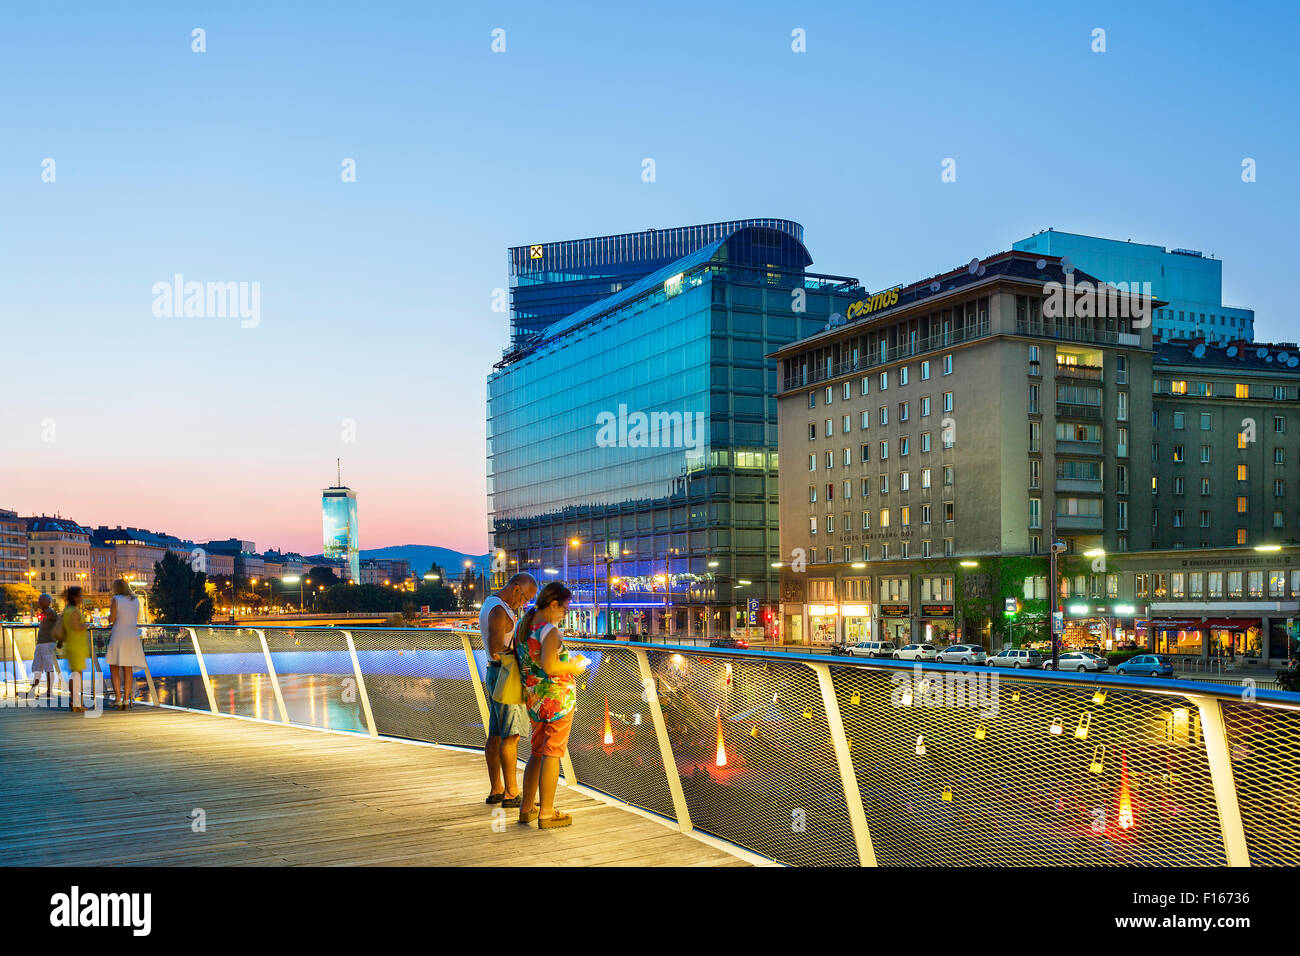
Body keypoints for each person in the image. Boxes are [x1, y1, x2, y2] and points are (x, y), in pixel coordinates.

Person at [516, 581, 587, 828]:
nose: (565, 613)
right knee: (552, 753)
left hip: (534, 699)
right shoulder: (549, 631)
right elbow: (550, 666)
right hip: (557, 699)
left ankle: (527, 808)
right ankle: (546, 812)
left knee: (537, 752)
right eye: (564, 608)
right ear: (554, 603)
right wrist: (574, 665)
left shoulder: (524, 627)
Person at [480, 572, 538, 807]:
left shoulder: (490, 604)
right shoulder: (499, 611)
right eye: (525, 597)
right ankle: (512, 792)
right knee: (510, 737)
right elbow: (496, 649)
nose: (524, 603)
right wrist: (524, 659)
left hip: (494, 673)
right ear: (516, 588)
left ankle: (497, 789)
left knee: (495, 734)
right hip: (506, 674)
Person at [105, 580, 145, 710]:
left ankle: (118, 698)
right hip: (132, 635)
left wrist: (107, 618)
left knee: (114, 667)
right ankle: (126, 699)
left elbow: (112, 619)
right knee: (128, 668)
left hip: (119, 635)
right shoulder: (136, 600)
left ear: (116, 589)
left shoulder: (116, 599)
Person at [59, 586, 90, 713]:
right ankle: (76, 703)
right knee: (77, 675)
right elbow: (75, 626)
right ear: (74, 597)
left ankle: (75, 701)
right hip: (77, 645)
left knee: (75, 674)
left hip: (71, 644)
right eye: (80, 595)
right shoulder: (73, 611)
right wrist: (87, 624)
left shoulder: (66, 610)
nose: (81, 597)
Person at [28, 594, 60, 699]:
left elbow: (59, 620)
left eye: (41, 601)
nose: (39, 603)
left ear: (48, 602)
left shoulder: (51, 613)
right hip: (41, 643)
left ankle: (49, 691)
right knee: (37, 667)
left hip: (47, 643)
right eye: (39, 601)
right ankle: (33, 689)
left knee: (48, 667)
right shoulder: (44, 613)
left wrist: (59, 639)